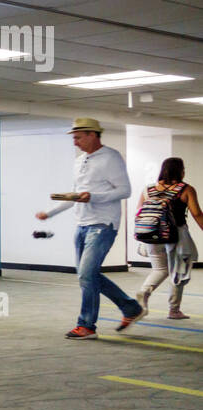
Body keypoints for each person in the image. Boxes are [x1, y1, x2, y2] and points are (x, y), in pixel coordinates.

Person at [36, 117, 144, 338]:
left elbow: (125, 191)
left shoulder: (111, 158)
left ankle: (86, 325)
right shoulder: (79, 161)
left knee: (86, 275)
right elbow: (76, 195)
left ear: (92, 134)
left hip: (103, 224)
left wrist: (94, 197)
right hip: (82, 224)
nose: (75, 142)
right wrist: (50, 213)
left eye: (78, 137)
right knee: (87, 275)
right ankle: (130, 307)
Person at [134, 157, 203, 319]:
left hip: (152, 235)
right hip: (177, 236)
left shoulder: (148, 189)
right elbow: (197, 213)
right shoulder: (186, 189)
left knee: (160, 269)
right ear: (181, 171)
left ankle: (144, 292)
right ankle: (174, 310)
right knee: (178, 271)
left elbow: (139, 212)